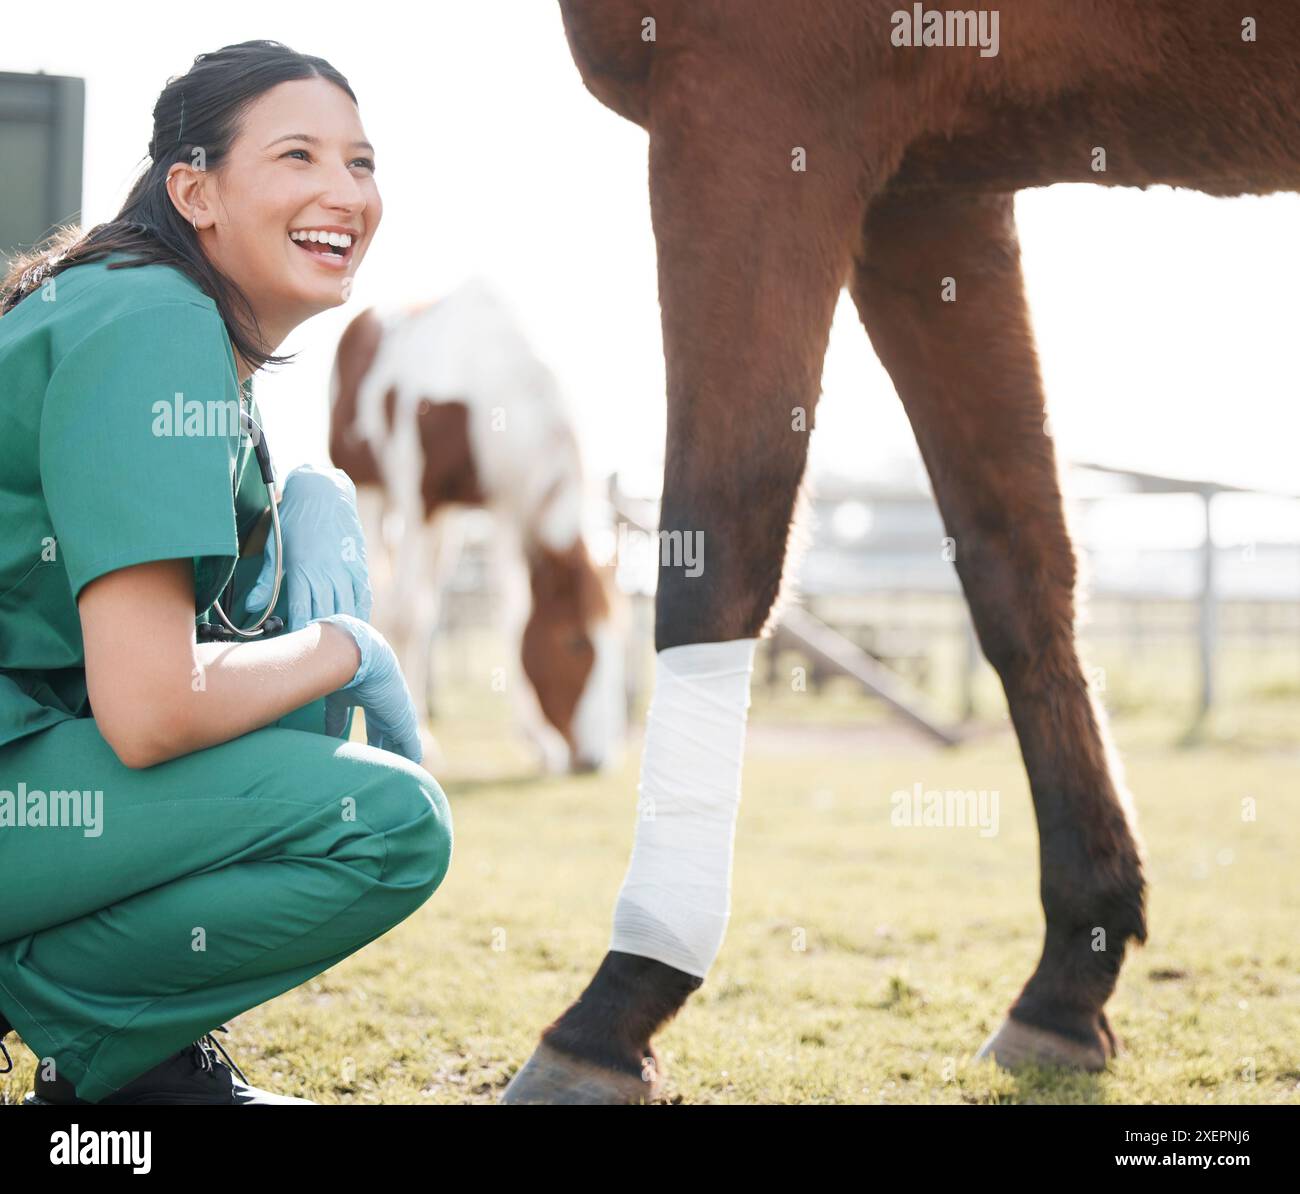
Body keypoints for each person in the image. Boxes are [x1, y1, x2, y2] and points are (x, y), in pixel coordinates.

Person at [0, 40, 452, 1105]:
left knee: (287, 673)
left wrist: (303, 504)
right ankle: (85, 1038)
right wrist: (349, 649)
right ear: (193, 191)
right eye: (296, 156)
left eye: (361, 163)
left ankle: (135, 1068)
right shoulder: (155, 322)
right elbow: (152, 710)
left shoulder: (144, 312)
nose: (344, 192)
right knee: (388, 829)